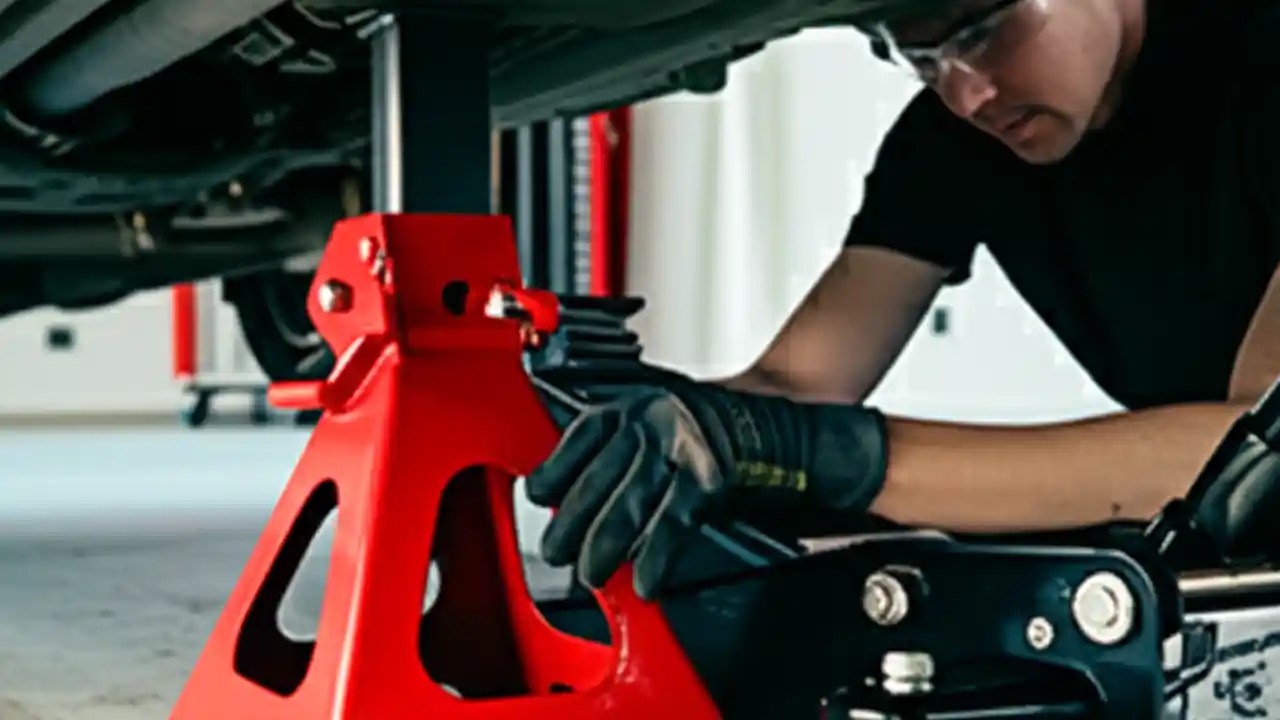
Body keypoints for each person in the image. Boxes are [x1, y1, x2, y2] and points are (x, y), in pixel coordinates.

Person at [525, 0, 1280, 600]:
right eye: (922, 57)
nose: (966, 93)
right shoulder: (957, 142)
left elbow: (1253, 454)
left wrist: (820, 454)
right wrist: (647, 420)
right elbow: (795, 384)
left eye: (981, 29)